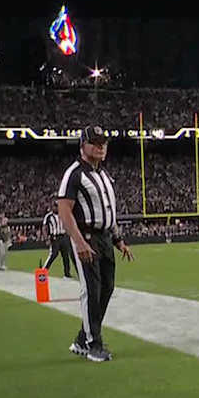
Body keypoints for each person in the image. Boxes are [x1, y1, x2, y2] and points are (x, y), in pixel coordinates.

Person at [58, 126, 135, 363]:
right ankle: (94, 345)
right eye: (95, 142)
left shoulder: (103, 174)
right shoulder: (74, 173)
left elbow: (107, 212)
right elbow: (64, 210)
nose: (101, 147)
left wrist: (118, 239)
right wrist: (79, 242)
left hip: (104, 238)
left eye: (104, 142)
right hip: (87, 237)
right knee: (91, 290)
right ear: (83, 145)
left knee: (107, 288)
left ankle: (84, 338)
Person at [42, 201, 75, 278]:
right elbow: (44, 227)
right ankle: (44, 270)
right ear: (52, 207)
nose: (56, 208)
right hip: (55, 237)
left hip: (64, 236)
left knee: (66, 256)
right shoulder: (49, 216)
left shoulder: (62, 214)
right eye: (55, 206)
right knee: (53, 254)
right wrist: (46, 238)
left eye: (57, 206)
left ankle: (67, 274)